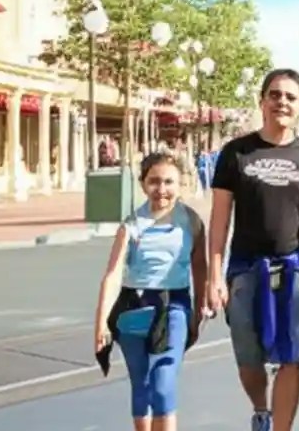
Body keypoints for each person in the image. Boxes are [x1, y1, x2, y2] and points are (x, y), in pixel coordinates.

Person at [206, 69, 299, 431]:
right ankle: (261, 409)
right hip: (246, 266)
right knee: (248, 358)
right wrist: (214, 276)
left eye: (290, 97)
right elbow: (219, 219)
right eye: (275, 94)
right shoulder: (237, 152)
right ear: (262, 100)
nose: (282, 102)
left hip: (298, 264)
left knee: (291, 356)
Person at [93, 152, 208, 431]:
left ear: (181, 185)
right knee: (141, 383)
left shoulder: (191, 223)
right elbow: (112, 276)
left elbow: (200, 268)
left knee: (163, 383)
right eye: (154, 181)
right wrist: (100, 325)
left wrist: (199, 308)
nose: (162, 189)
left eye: (169, 182)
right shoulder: (131, 226)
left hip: (174, 306)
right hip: (133, 309)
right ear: (143, 184)